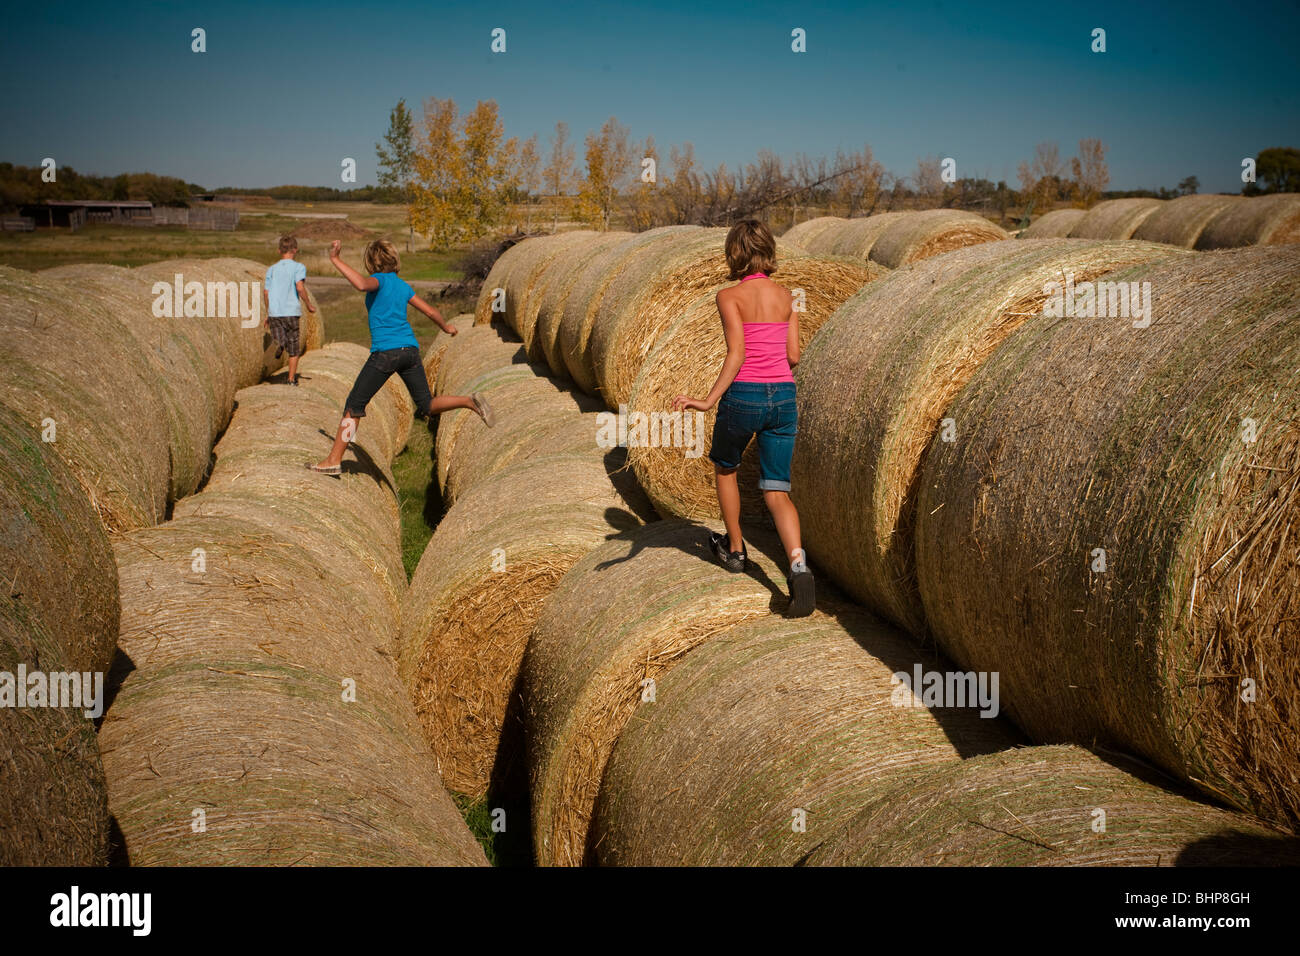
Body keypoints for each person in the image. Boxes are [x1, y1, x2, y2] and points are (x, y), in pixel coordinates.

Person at [673, 219, 814, 617]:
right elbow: (794, 356)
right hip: (784, 396)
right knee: (777, 491)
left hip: (745, 395)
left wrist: (706, 399)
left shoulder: (728, 296)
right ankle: (798, 566)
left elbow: (736, 353)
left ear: (733, 253)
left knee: (725, 468)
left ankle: (735, 549)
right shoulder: (787, 296)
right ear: (768, 250)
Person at [310, 238, 494, 474]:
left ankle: (333, 460)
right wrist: (446, 327)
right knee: (427, 404)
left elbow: (360, 285)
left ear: (371, 263)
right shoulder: (402, 285)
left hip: (385, 354)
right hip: (410, 351)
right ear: (394, 259)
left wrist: (335, 259)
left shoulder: (379, 280)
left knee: (354, 406)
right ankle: (469, 401)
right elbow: (429, 310)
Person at [263, 234, 315, 385]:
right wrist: (308, 304)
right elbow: (299, 287)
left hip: (275, 312)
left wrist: (268, 312)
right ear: (295, 250)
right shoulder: (299, 267)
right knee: (294, 348)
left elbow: (266, 293)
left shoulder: (271, 269)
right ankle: (291, 379)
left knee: (279, 340)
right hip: (291, 312)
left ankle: (279, 343)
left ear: (279, 251)